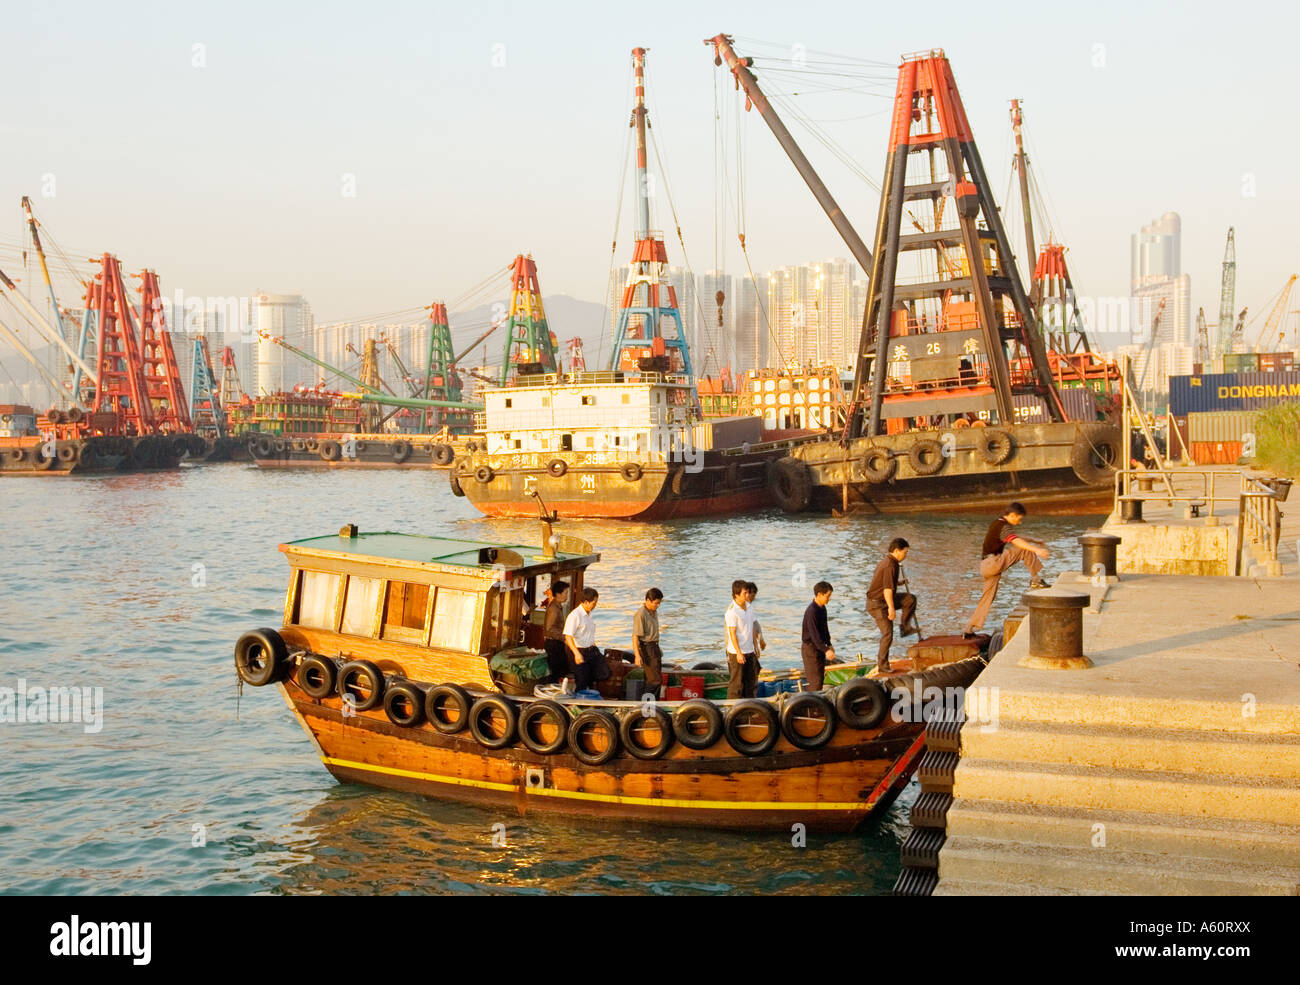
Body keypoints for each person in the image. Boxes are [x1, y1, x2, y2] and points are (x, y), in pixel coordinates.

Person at [964, 502, 1051, 636]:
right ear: (1012, 515)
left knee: (987, 598)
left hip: (986, 565)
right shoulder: (1002, 526)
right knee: (1023, 549)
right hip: (993, 563)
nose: (1020, 522)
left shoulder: (998, 524)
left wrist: (1034, 539)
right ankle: (1036, 580)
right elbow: (1016, 541)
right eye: (1019, 519)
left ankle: (969, 629)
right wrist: (1037, 550)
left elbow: (1015, 537)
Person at [866, 538, 918, 674]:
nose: (905, 556)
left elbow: (886, 583)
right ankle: (883, 665)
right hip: (877, 604)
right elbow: (887, 590)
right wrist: (891, 608)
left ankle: (905, 627)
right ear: (896, 551)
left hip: (884, 599)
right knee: (887, 634)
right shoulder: (889, 565)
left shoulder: (892, 563)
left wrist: (899, 583)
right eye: (905, 552)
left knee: (910, 599)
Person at [563, 587, 607, 692]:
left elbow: (587, 632)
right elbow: (568, 636)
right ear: (586, 602)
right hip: (580, 650)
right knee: (582, 680)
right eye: (594, 602)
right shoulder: (575, 615)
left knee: (603, 673)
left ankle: (592, 697)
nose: (595, 605)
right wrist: (576, 653)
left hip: (591, 649)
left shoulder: (589, 615)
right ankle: (579, 702)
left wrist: (593, 643)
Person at [724, 579, 758, 699]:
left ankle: (750, 708)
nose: (747, 595)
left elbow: (752, 626)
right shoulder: (732, 611)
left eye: (748, 593)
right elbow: (732, 633)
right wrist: (738, 652)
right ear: (737, 594)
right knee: (736, 684)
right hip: (737, 652)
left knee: (751, 682)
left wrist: (756, 646)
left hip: (749, 650)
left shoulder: (749, 607)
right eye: (745, 593)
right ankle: (732, 710)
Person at [801, 581, 836, 691]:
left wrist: (829, 644)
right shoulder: (812, 611)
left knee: (820, 679)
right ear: (819, 594)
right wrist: (826, 650)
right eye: (828, 596)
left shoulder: (822, 608)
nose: (829, 599)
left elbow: (825, 629)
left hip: (819, 648)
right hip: (811, 649)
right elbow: (814, 635)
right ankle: (811, 705)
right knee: (815, 682)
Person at [632, 588, 664, 698]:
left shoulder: (654, 612)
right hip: (647, 648)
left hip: (654, 646)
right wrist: (637, 655)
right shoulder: (641, 614)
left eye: (659, 603)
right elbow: (635, 636)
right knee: (654, 681)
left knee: (654, 678)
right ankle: (646, 707)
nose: (658, 605)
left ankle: (653, 706)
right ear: (648, 600)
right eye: (656, 603)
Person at [542, 579, 569, 682]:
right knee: (556, 671)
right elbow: (549, 629)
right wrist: (564, 637)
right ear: (558, 594)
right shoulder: (554, 608)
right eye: (565, 593)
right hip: (553, 644)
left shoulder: (558, 606)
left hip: (557, 642)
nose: (567, 596)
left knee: (561, 670)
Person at [744, 581, 767, 669]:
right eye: (752, 596)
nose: (753, 598)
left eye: (754, 596)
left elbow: (755, 624)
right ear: (745, 593)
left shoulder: (749, 607)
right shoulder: (738, 609)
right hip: (742, 647)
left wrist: (760, 639)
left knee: (756, 668)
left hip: (749, 645)